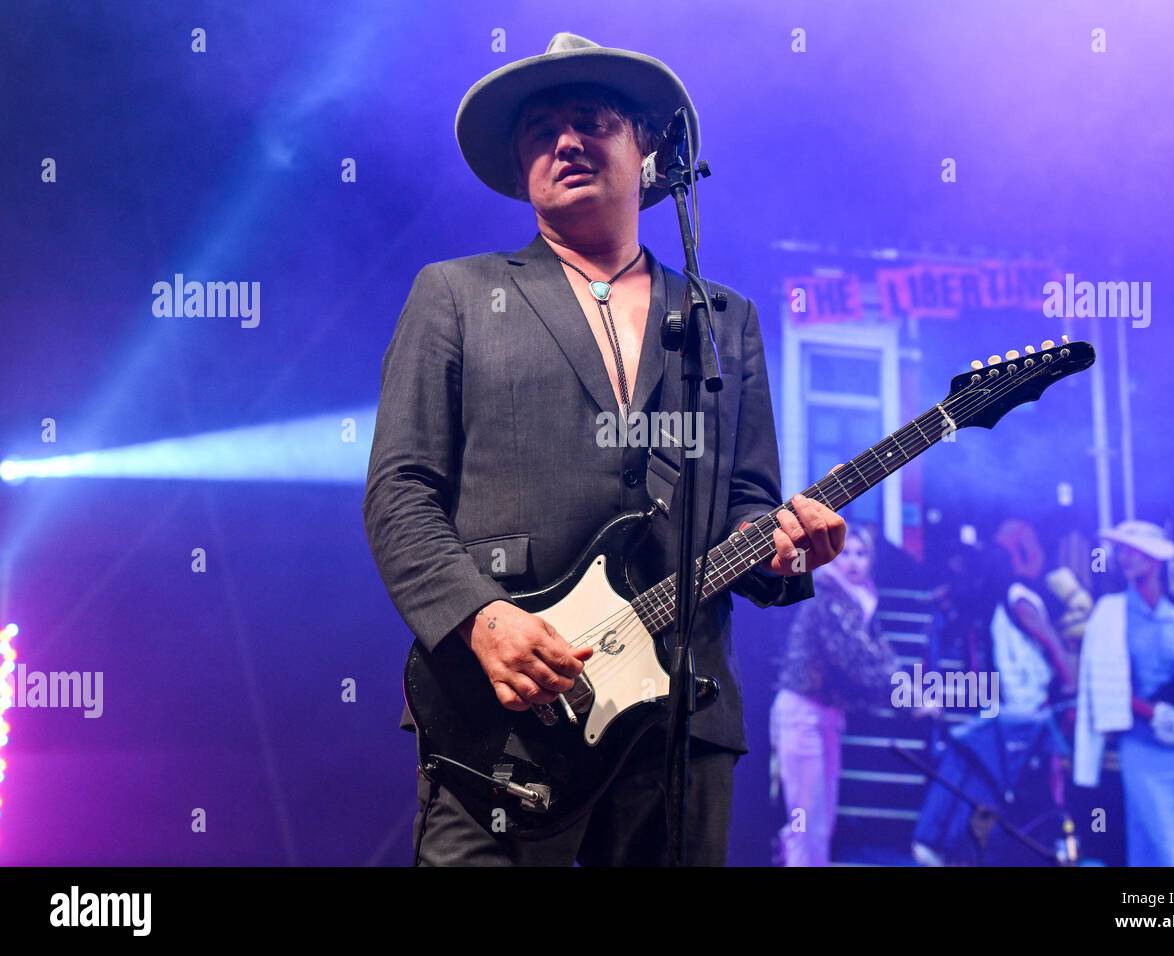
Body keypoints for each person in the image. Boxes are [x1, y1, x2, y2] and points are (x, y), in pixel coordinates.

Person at [362, 32, 847, 866]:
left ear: (647, 146)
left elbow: (748, 505)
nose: (566, 141)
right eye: (541, 129)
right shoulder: (458, 295)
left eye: (592, 120)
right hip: (505, 723)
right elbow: (399, 492)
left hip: (680, 717)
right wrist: (479, 619)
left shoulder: (723, 319)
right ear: (520, 167)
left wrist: (784, 550)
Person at [1073, 520, 1174, 866]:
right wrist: (1152, 713)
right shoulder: (1110, 612)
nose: (1125, 557)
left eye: (1134, 551)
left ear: (1155, 560)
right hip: (1141, 744)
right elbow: (1104, 687)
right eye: (1122, 551)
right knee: (1160, 840)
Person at [911, 519, 1074, 865]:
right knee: (978, 772)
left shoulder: (1018, 599)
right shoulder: (994, 606)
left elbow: (1054, 647)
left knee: (967, 754)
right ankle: (948, 845)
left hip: (1027, 713)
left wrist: (1070, 694)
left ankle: (933, 840)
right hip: (1012, 713)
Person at [770, 528, 897, 866]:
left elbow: (881, 655)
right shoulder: (826, 595)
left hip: (826, 717)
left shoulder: (860, 602)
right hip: (802, 714)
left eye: (862, 554)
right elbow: (855, 659)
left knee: (819, 822)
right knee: (804, 819)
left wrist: (910, 687)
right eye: (847, 553)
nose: (853, 562)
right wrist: (907, 694)